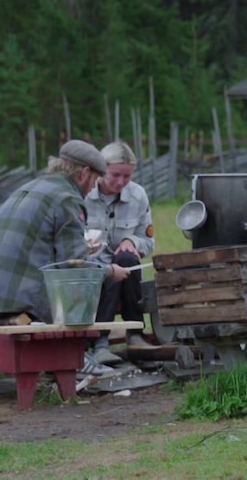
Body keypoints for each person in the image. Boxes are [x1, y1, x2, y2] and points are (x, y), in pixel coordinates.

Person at [0, 139, 130, 375]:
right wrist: (111, 271)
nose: (92, 188)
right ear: (84, 173)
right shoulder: (67, 199)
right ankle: (76, 357)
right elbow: (76, 268)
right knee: (83, 284)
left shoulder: (31, 187)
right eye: (94, 180)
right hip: (24, 303)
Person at [84, 140, 158, 364]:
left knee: (125, 259)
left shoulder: (138, 196)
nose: (121, 182)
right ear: (101, 170)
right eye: (115, 175)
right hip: (90, 269)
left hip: (124, 269)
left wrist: (132, 241)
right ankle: (99, 343)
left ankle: (134, 334)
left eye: (127, 176)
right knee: (111, 271)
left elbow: (149, 241)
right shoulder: (84, 195)